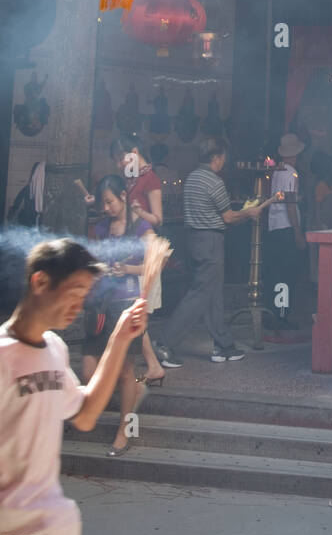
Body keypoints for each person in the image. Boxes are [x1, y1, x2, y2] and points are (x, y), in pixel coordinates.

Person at [0, 239, 146, 535]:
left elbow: (85, 414)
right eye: (74, 291)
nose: (79, 305)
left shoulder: (55, 349)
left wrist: (120, 338)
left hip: (54, 531)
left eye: (85, 295)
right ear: (40, 281)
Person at [155, 136, 280, 367]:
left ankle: (223, 346)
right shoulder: (214, 182)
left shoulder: (192, 178)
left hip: (193, 239)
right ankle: (164, 344)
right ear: (216, 157)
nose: (224, 161)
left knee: (212, 295)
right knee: (199, 295)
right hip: (211, 240)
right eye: (223, 157)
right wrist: (248, 213)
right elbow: (228, 217)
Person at [82, 176, 156, 454]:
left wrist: (127, 270)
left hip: (126, 306)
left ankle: (123, 430)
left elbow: (154, 264)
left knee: (126, 372)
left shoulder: (140, 227)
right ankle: (135, 394)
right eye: (103, 203)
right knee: (89, 370)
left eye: (110, 201)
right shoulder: (101, 227)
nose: (107, 207)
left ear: (123, 197)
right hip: (99, 306)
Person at [110, 134, 165, 382]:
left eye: (121, 158)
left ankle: (151, 367)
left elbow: (158, 219)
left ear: (133, 151)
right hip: (131, 250)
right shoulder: (131, 178)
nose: (119, 164)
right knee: (133, 313)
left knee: (134, 312)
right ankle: (150, 367)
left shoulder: (150, 179)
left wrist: (139, 211)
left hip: (145, 249)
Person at [264, 133, 307, 328]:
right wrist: (298, 233)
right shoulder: (290, 172)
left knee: (276, 272)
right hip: (287, 228)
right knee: (287, 275)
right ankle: (281, 316)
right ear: (296, 154)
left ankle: (273, 314)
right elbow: (290, 203)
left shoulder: (278, 171)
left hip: (275, 226)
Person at [310, 150, 332, 231]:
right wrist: (320, 226)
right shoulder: (321, 185)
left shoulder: (329, 183)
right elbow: (317, 208)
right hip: (322, 226)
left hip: (329, 224)